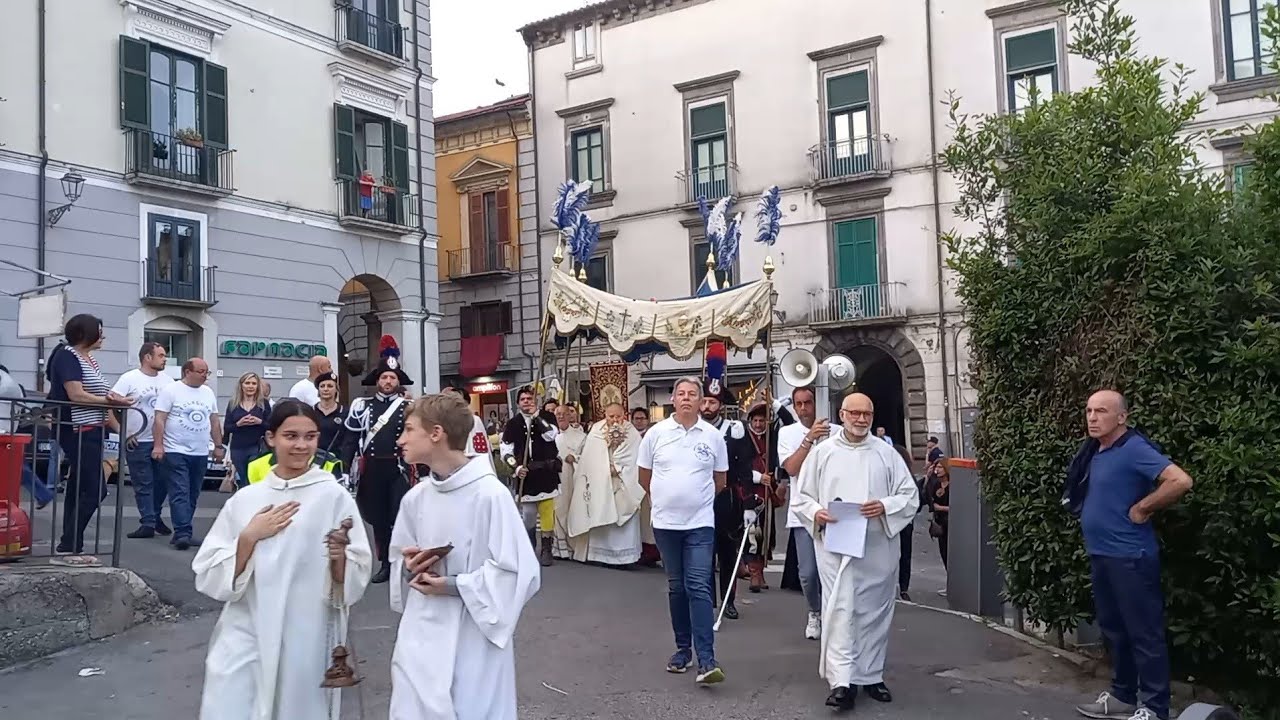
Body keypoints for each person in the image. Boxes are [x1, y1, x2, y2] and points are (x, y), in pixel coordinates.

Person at [193, 400, 372, 720]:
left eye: (310, 436)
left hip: (307, 631)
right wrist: (249, 537)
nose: (302, 445)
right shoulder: (247, 499)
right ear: (271, 438)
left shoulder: (333, 497)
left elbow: (357, 568)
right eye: (291, 436)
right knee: (229, 704)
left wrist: (339, 559)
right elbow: (207, 570)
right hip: (246, 625)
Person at [389, 393, 541, 719]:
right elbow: (399, 563)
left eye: (408, 429)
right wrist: (409, 568)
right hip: (420, 633)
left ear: (436, 433)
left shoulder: (490, 495)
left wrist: (454, 585)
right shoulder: (415, 499)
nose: (400, 439)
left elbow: (519, 573)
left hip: (474, 636)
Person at [793, 392, 919, 711]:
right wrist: (817, 513)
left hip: (878, 547)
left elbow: (909, 496)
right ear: (842, 414)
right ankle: (842, 682)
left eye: (867, 414)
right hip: (836, 547)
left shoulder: (886, 454)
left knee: (874, 611)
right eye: (855, 413)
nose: (861, 420)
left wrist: (885, 505)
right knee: (840, 610)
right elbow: (802, 498)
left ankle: (871, 675)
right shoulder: (822, 453)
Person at [1072, 390, 1192, 720]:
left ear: (1122, 417)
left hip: (1131, 557)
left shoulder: (1134, 449)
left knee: (1144, 634)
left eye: (1101, 411)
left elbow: (1180, 481)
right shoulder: (1095, 451)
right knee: (1115, 630)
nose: (1093, 418)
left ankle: (1155, 709)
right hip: (1102, 554)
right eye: (1089, 411)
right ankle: (1122, 696)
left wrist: (1143, 507)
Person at [638, 376, 728, 685]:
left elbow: (720, 481)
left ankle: (707, 659)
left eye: (693, 394)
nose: (686, 398)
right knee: (677, 587)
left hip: (700, 524)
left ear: (702, 401)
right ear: (673, 400)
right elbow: (644, 477)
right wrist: (667, 499)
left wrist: (695, 502)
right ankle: (682, 650)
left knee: (698, 586)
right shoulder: (655, 434)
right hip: (665, 525)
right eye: (681, 394)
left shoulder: (714, 437)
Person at [46, 314, 132, 565]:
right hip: (75, 428)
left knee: (78, 488)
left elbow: (97, 399)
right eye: (100, 331)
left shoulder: (88, 359)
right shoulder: (67, 355)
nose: (103, 336)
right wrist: (110, 401)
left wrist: (117, 425)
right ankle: (68, 547)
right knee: (96, 489)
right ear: (86, 333)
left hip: (91, 429)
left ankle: (70, 547)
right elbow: (76, 394)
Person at [342, 335, 413, 584]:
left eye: (392, 378)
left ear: (398, 381)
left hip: (398, 469)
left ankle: (402, 560)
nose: (388, 381)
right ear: (378, 380)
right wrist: (344, 469)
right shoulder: (362, 406)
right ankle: (384, 562)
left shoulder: (408, 407)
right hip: (372, 469)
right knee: (379, 519)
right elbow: (350, 440)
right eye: (384, 377)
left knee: (400, 516)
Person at [778, 384, 834, 640]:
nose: (803, 409)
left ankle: (835, 614)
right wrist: (809, 438)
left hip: (833, 511)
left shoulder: (837, 431)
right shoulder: (788, 432)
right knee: (808, 573)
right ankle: (815, 611)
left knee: (834, 570)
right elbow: (791, 468)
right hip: (802, 512)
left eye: (807, 403)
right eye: (798, 404)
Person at [153, 357, 224, 551]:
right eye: (201, 372)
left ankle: (184, 530)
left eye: (206, 372)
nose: (204, 376)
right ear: (187, 372)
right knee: (180, 491)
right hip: (175, 449)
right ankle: (183, 531)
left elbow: (214, 420)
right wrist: (158, 445)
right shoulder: (171, 390)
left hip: (200, 451)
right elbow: (160, 419)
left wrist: (218, 445)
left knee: (193, 492)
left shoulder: (208, 393)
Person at [563, 403, 645, 567]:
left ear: (624, 415)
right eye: (611, 416)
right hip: (601, 480)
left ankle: (625, 559)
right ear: (605, 415)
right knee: (600, 510)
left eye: (618, 416)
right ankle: (600, 556)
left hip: (623, 481)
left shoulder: (632, 433)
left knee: (623, 518)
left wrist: (620, 468)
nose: (614, 420)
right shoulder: (596, 431)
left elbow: (636, 457)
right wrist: (602, 468)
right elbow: (590, 458)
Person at [695, 380, 748, 621]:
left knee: (728, 554)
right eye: (704, 401)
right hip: (699, 498)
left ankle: (729, 601)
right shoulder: (693, 430)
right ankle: (706, 601)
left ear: (721, 405)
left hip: (726, 499)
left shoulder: (733, 430)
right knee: (703, 554)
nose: (707, 406)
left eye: (712, 402)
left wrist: (748, 502)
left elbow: (743, 467)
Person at [113, 342, 175, 539]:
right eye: (161, 355)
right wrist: (122, 432)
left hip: (163, 440)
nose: (165, 359)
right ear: (148, 357)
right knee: (143, 483)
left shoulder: (168, 381)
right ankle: (148, 521)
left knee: (163, 482)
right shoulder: (129, 378)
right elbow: (110, 405)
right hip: (137, 440)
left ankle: (154, 516)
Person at [500, 385, 561, 567]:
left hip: (546, 472)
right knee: (528, 514)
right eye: (523, 399)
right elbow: (506, 450)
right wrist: (516, 467)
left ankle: (547, 549)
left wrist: (537, 416)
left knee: (547, 511)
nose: (527, 401)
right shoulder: (512, 424)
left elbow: (551, 436)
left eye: (530, 398)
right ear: (518, 403)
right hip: (526, 475)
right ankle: (530, 544)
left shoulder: (548, 418)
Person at [223, 372, 271, 489]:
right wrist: (239, 424)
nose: (250, 386)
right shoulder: (233, 404)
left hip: (257, 446)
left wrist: (259, 421)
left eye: (254, 383)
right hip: (238, 447)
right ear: (241, 385)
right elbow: (227, 427)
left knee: (252, 478)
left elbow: (271, 425)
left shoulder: (263, 404)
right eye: (247, 383)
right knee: (244, 479)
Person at [551, 405, 587, 560]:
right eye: (557, 414)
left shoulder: (581, 436)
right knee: (557, 509)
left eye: (564, 414)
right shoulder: (551, 436)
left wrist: (575, 459)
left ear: (570, 415)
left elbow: (587, 456)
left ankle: (574, 547)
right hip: (555, 478)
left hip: (573, 478)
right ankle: (559, 548)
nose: (561, 417)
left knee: (573, 510)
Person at [443, 385, 494, 472]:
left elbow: (480, 448)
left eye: (457, 399)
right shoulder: (446, 421)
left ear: (466, 403)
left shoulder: (474, 420)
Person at [313, 372, 348, 456]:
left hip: (337, 459)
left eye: (330, 386)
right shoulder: (310, 412)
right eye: (322, 386)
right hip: (314, 459)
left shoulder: (345, 412)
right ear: (318, 390)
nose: (326, 389)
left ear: (336, 389)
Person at [925, 458, 951, 571]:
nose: (937, 470)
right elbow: (926, 495)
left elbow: (958, 506)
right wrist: (928, 476)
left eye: (940, 467)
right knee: (943, 551)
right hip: (940, 523)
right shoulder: (936, 485)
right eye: (936, 467)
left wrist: (940, 508)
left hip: (950, 522)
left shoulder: (953, 486)